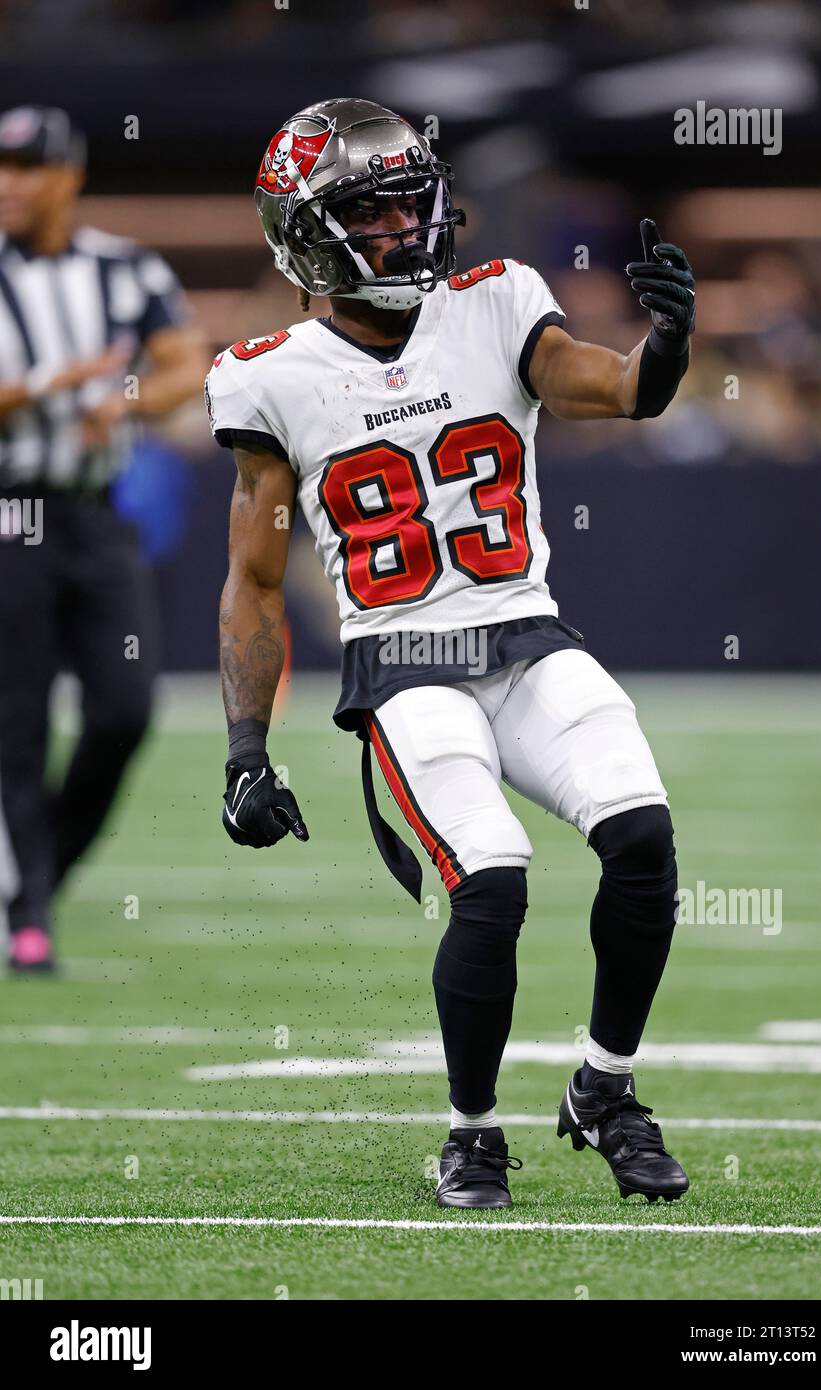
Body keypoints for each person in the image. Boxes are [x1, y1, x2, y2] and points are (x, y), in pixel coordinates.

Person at [206, 99, 695, 1208]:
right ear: (305, 237)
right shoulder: (268, 375)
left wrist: (663, 345)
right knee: (494, 876)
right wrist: (246, 748)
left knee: (642, 834)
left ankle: (604, 1089)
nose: (404, 223)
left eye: (408, 196)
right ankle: (472, 1132)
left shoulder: (496, 305)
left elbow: (616, 389)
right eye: (369, 210)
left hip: (523, 634)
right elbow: (253, 579)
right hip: (403, 658)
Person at [0, 106, 210, 972]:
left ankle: (37, 876)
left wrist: (121, 398)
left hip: (93, 510)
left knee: (124, 707)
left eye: (28, 168)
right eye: (4, 169)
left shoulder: (122, 268)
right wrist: (56, 384)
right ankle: (31, 912)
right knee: (16, 720)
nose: (12, 185)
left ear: (70, 176)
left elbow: (187, 363)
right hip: (10, 512)